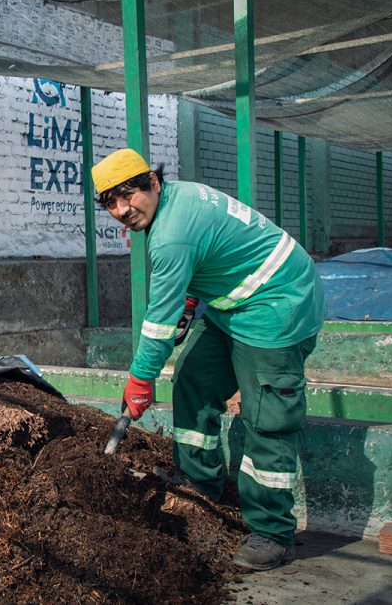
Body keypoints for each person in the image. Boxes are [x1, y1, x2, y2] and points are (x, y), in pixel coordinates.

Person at [90, 147, 325, 572]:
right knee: (194, 376)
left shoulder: (171, 233)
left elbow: (158, 322)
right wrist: (192, 299)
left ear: (154, 183)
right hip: (233, 300)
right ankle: (199, 480)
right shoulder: (176, 202)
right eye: (110, 203)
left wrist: (141, 379)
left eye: (128, 195)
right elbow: (214, 249)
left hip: (277, 300)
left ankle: (272, 532)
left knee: (266, 414)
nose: (122, 210)